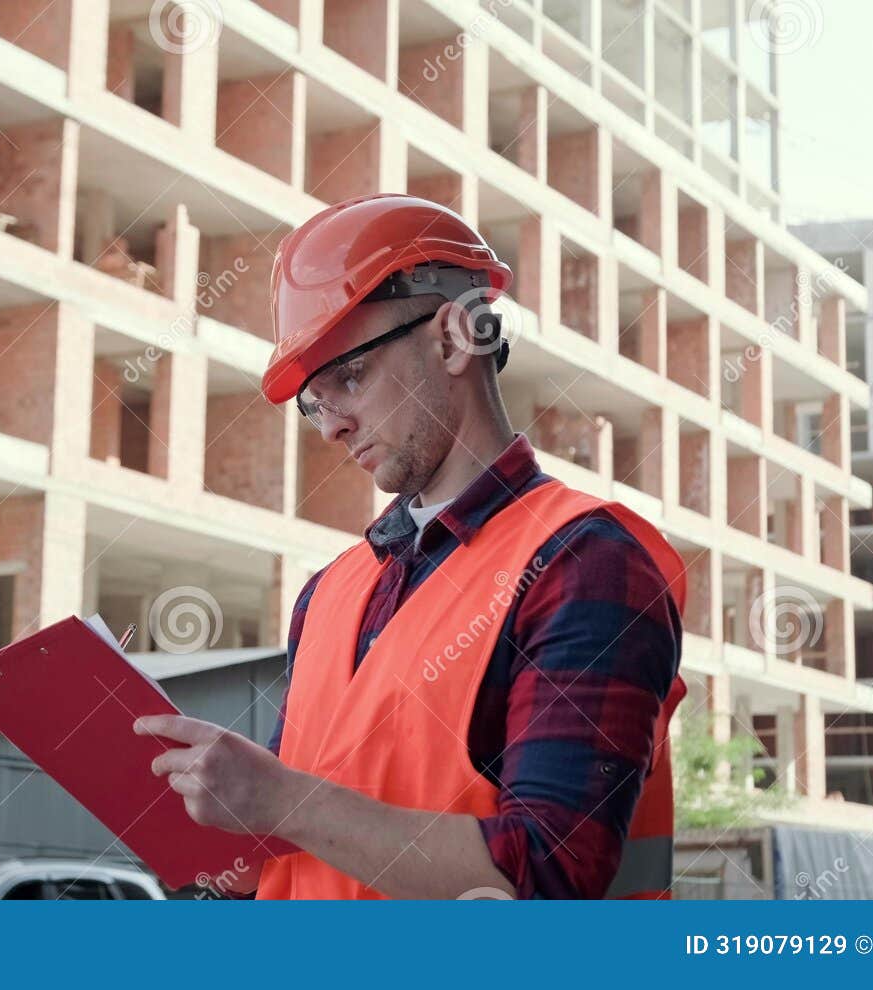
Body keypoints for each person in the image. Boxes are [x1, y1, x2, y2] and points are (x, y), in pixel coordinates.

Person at [135, 193, 686, 899]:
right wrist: (214, 827)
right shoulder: (330, 593)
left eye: (350, 377)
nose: (332, 425)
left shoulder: (584, 563)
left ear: (455, 340)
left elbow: (551, 877)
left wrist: (280, 802)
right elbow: (310, 843)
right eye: (314, 402)